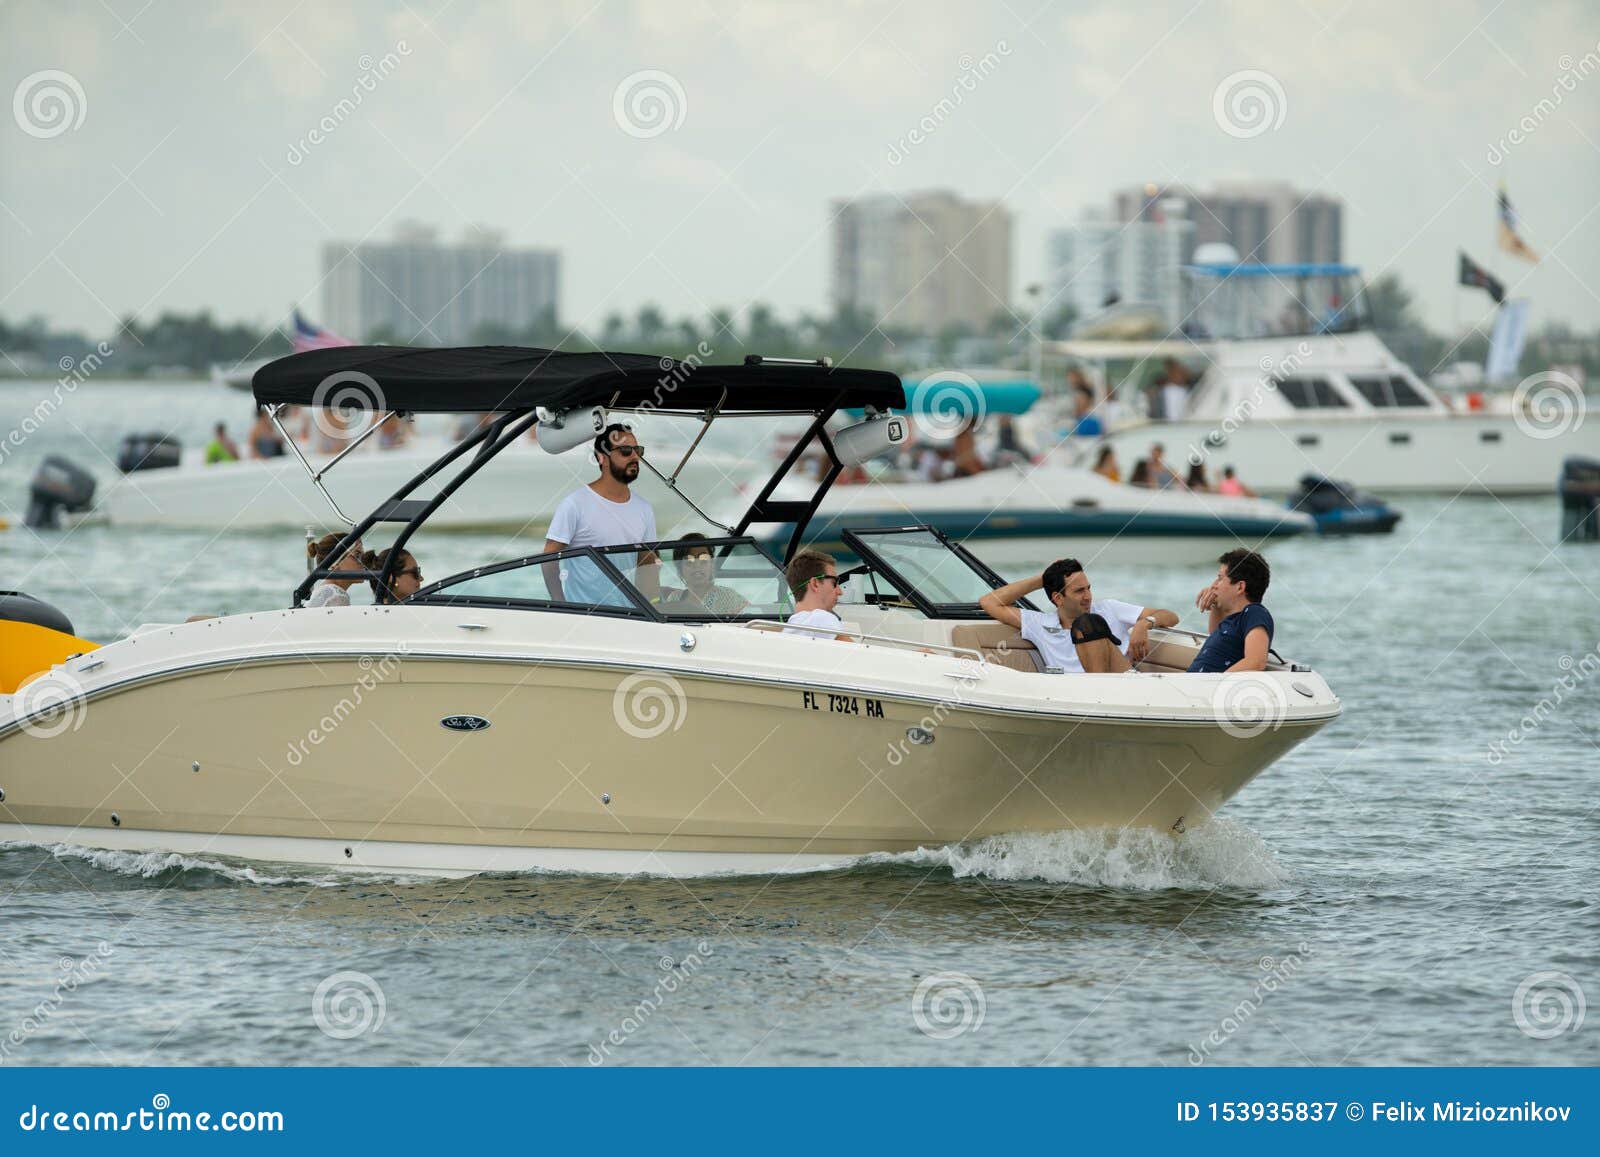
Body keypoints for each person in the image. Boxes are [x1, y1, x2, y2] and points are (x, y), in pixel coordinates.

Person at [978, 557, 1177, 673]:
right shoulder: (1039, 623)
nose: (1088, 596)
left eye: (1088, 588)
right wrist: (1043, 578)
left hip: (1123, 687)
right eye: (1079, 591)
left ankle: (1099, 697)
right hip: (1075, 698)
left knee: (1088, 624)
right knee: (1085, 624)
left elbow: (1170, 616)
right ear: (1058, 598)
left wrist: (1144, 624)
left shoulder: (1109, 608)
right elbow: (989, 602)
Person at [542, 423, 658, 604]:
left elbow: (647, 564)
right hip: (586, 619)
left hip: (632, 618)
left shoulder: (644, 508)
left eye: (638, 450)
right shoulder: (574, 504)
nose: (635, 456)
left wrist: (653, 608)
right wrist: (561, 604)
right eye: (626, 450)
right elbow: (548, 558)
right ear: (602, 457)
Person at [1187, 549, 1273, 673]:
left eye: (1220, 579)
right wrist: (1215, 604)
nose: (1213, 585)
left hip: (1206, 688)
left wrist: (1216, 683)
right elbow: (1216, 636)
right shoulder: (1232, 621)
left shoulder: (1255, 612)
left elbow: (1256, 662)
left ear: (1240, 587)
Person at [661, 533, 748, 617]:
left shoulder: (729, 597)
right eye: (689, 561)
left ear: (711, 564)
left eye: (704, 560)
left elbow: (753, 624)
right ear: (680, 568)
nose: (697, 565)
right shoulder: (674, 598)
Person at [782, 548, 852, 641]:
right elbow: (860, 653)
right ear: (815, 583)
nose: (840, 592)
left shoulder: (791, 625)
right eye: (834, 582)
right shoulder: (821, 619)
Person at [304, 533, 364, 608]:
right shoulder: (336, 597)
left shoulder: (325, 591)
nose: (364, 561)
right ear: (335, 563)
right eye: (357, 556)